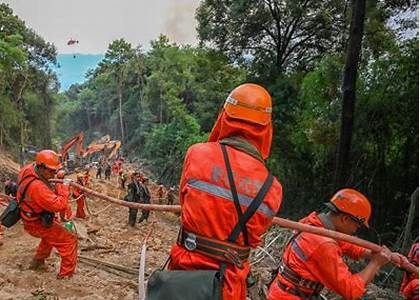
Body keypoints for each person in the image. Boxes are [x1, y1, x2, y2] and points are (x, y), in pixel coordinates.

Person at [167, 83, 283, 300]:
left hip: (184, 276)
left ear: (224, 117)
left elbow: (185, 206)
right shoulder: (272, 188)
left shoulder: (197, 155)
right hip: (228, 285)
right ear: (266, 130)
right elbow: (254, 240)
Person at [267, 189, 393, 299]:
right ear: (345, 219)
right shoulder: (323, 245)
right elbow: (350, 290)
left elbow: (346, 244)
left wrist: (373, 253)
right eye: (358, 225)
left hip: (282, 292)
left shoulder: (312, 223)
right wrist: (375, 263)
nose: (356, 230)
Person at [18, 149, 77, 279]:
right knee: (69, 239)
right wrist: (64, 188)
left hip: (30, 217)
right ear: (41, 167)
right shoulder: (37, 187)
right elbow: (59, 205)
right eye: (51, 171)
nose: (53, 174)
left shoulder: (28, 170)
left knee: (49, 237)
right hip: (37, 222)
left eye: (55, 171)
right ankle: (66, 275)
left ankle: (38, 262)